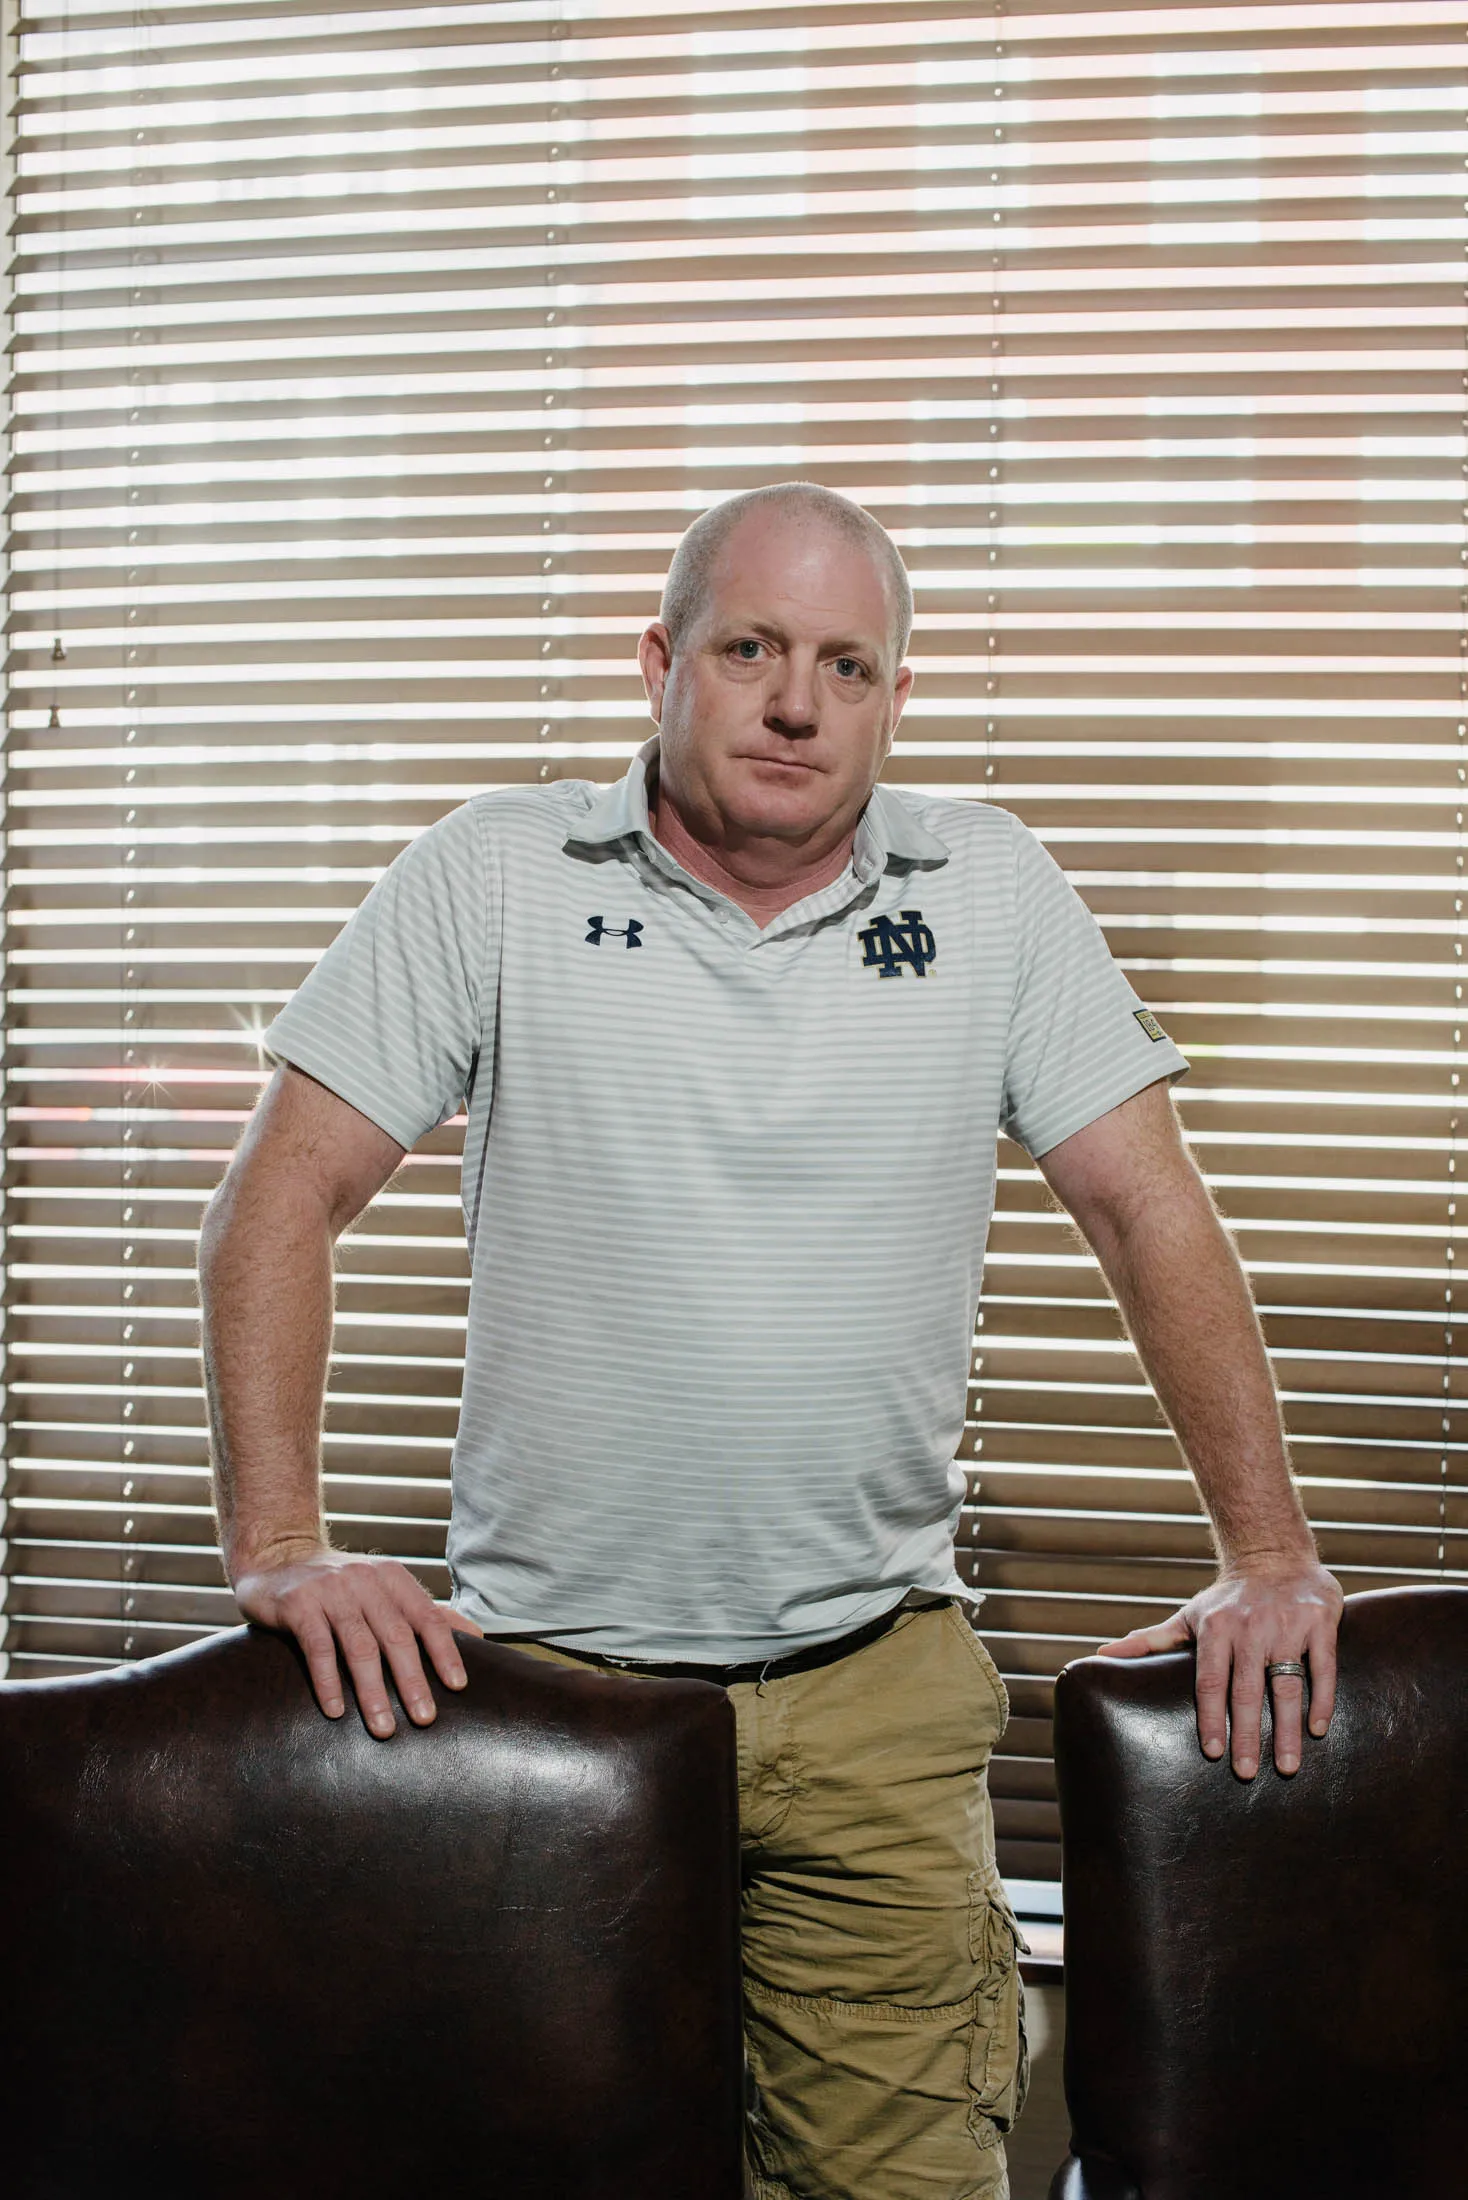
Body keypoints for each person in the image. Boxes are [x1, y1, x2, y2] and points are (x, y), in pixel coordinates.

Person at [199, 481, 1344, 2200]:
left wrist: (1268, 1553)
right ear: (660, 660)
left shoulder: (991, 890)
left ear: (895, 696)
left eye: (846, 665)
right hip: (553, 1706)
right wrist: (281, 1545)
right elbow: (278, 1198)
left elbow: (1147, 1209)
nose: (798, 703)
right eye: (750, 650)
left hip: (874, 1698)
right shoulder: (495, 876)